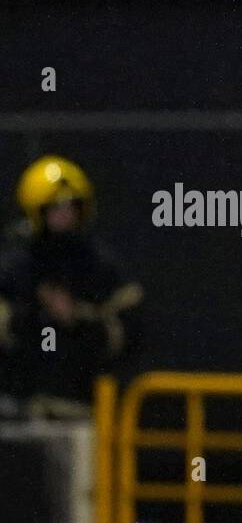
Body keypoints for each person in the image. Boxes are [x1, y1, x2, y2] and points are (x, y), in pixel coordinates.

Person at [0, 156, 143, 417]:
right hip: (19, 409)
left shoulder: (100, 267)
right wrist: (33, 315)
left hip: (80, 408)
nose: (65, 215)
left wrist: (77, 317)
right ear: (35, 213)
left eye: (72, 207)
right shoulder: (15, 268)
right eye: (55, 208)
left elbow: (130, 332)